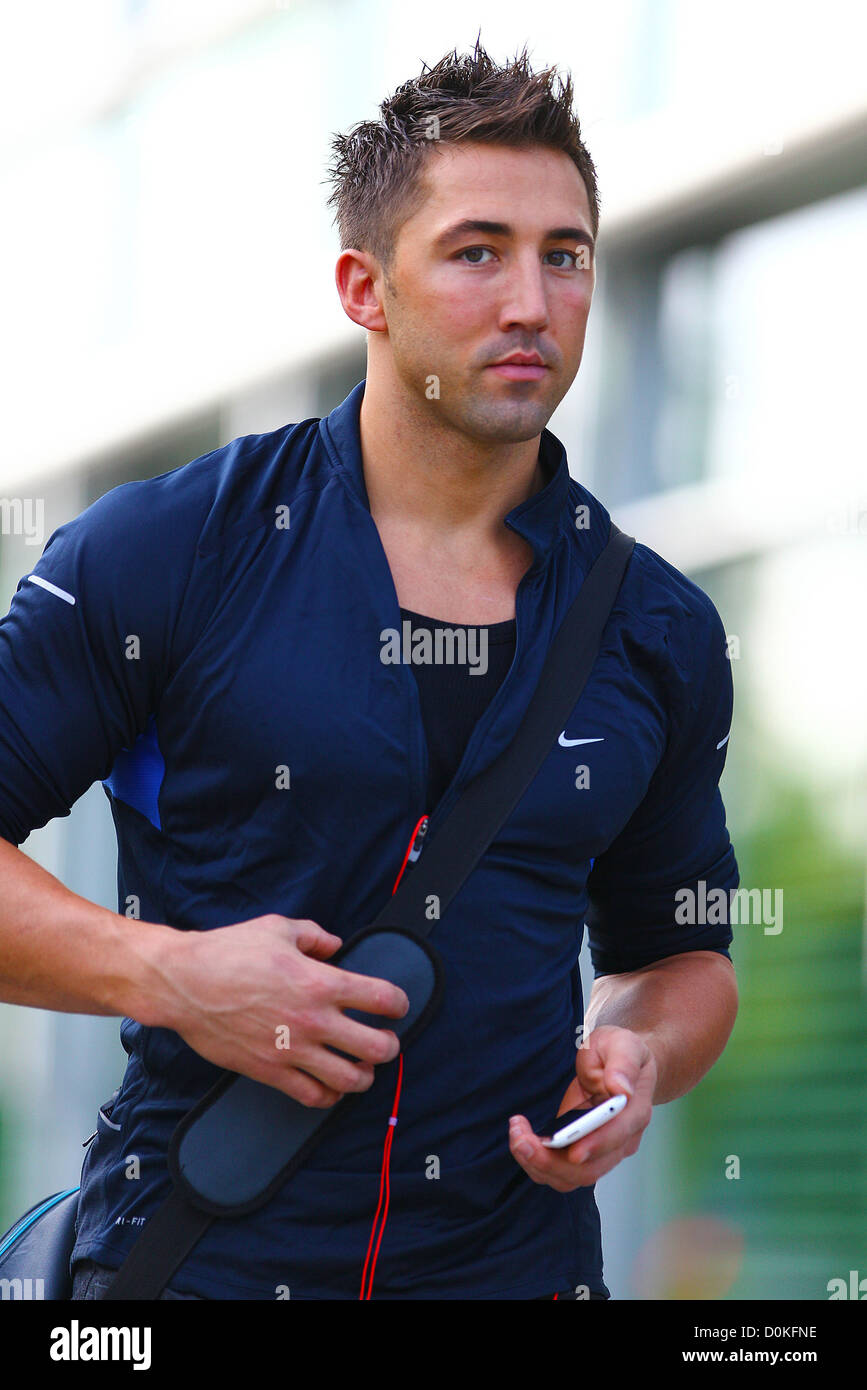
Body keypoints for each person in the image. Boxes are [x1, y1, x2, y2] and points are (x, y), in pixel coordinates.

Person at [0, 40, 738, 1300]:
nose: (531, 301)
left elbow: (684, 951)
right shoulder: (168, 551)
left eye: (565, 257)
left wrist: (637, 1056)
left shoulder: (657, 623)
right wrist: (171, 974)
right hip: (192, 1272)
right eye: (476, 250)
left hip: (520, 1274)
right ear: (365, 286)